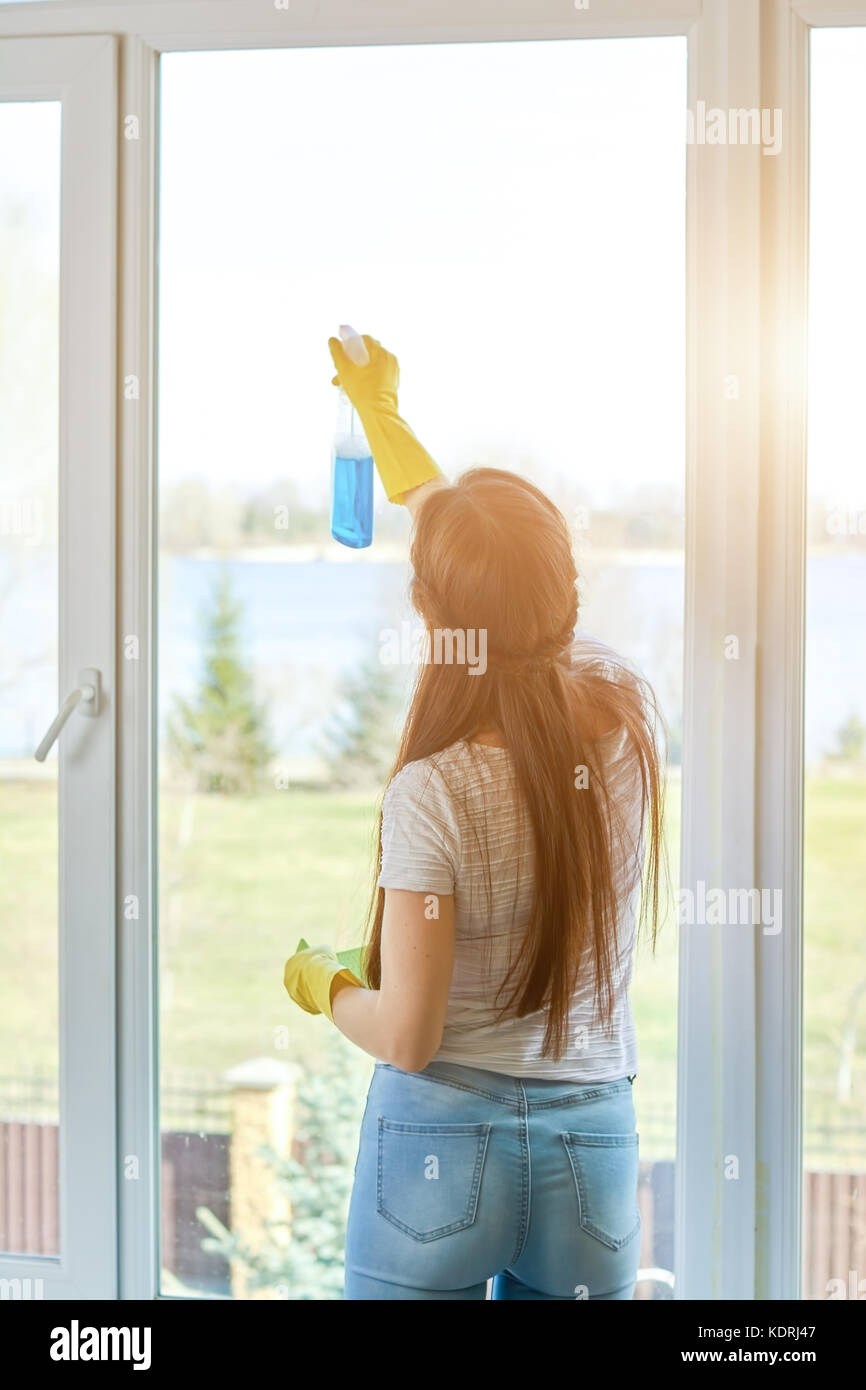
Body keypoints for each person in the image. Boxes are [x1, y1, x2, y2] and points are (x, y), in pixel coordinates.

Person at [283, 335, 666, 1301]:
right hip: (593, 1150)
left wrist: (323, 984)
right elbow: (497, 577)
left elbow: (408, 1036)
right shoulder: (623, 724)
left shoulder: (436, 792)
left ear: (427, 608)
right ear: (565, 589)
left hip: (440, 1151)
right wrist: (387, 427)